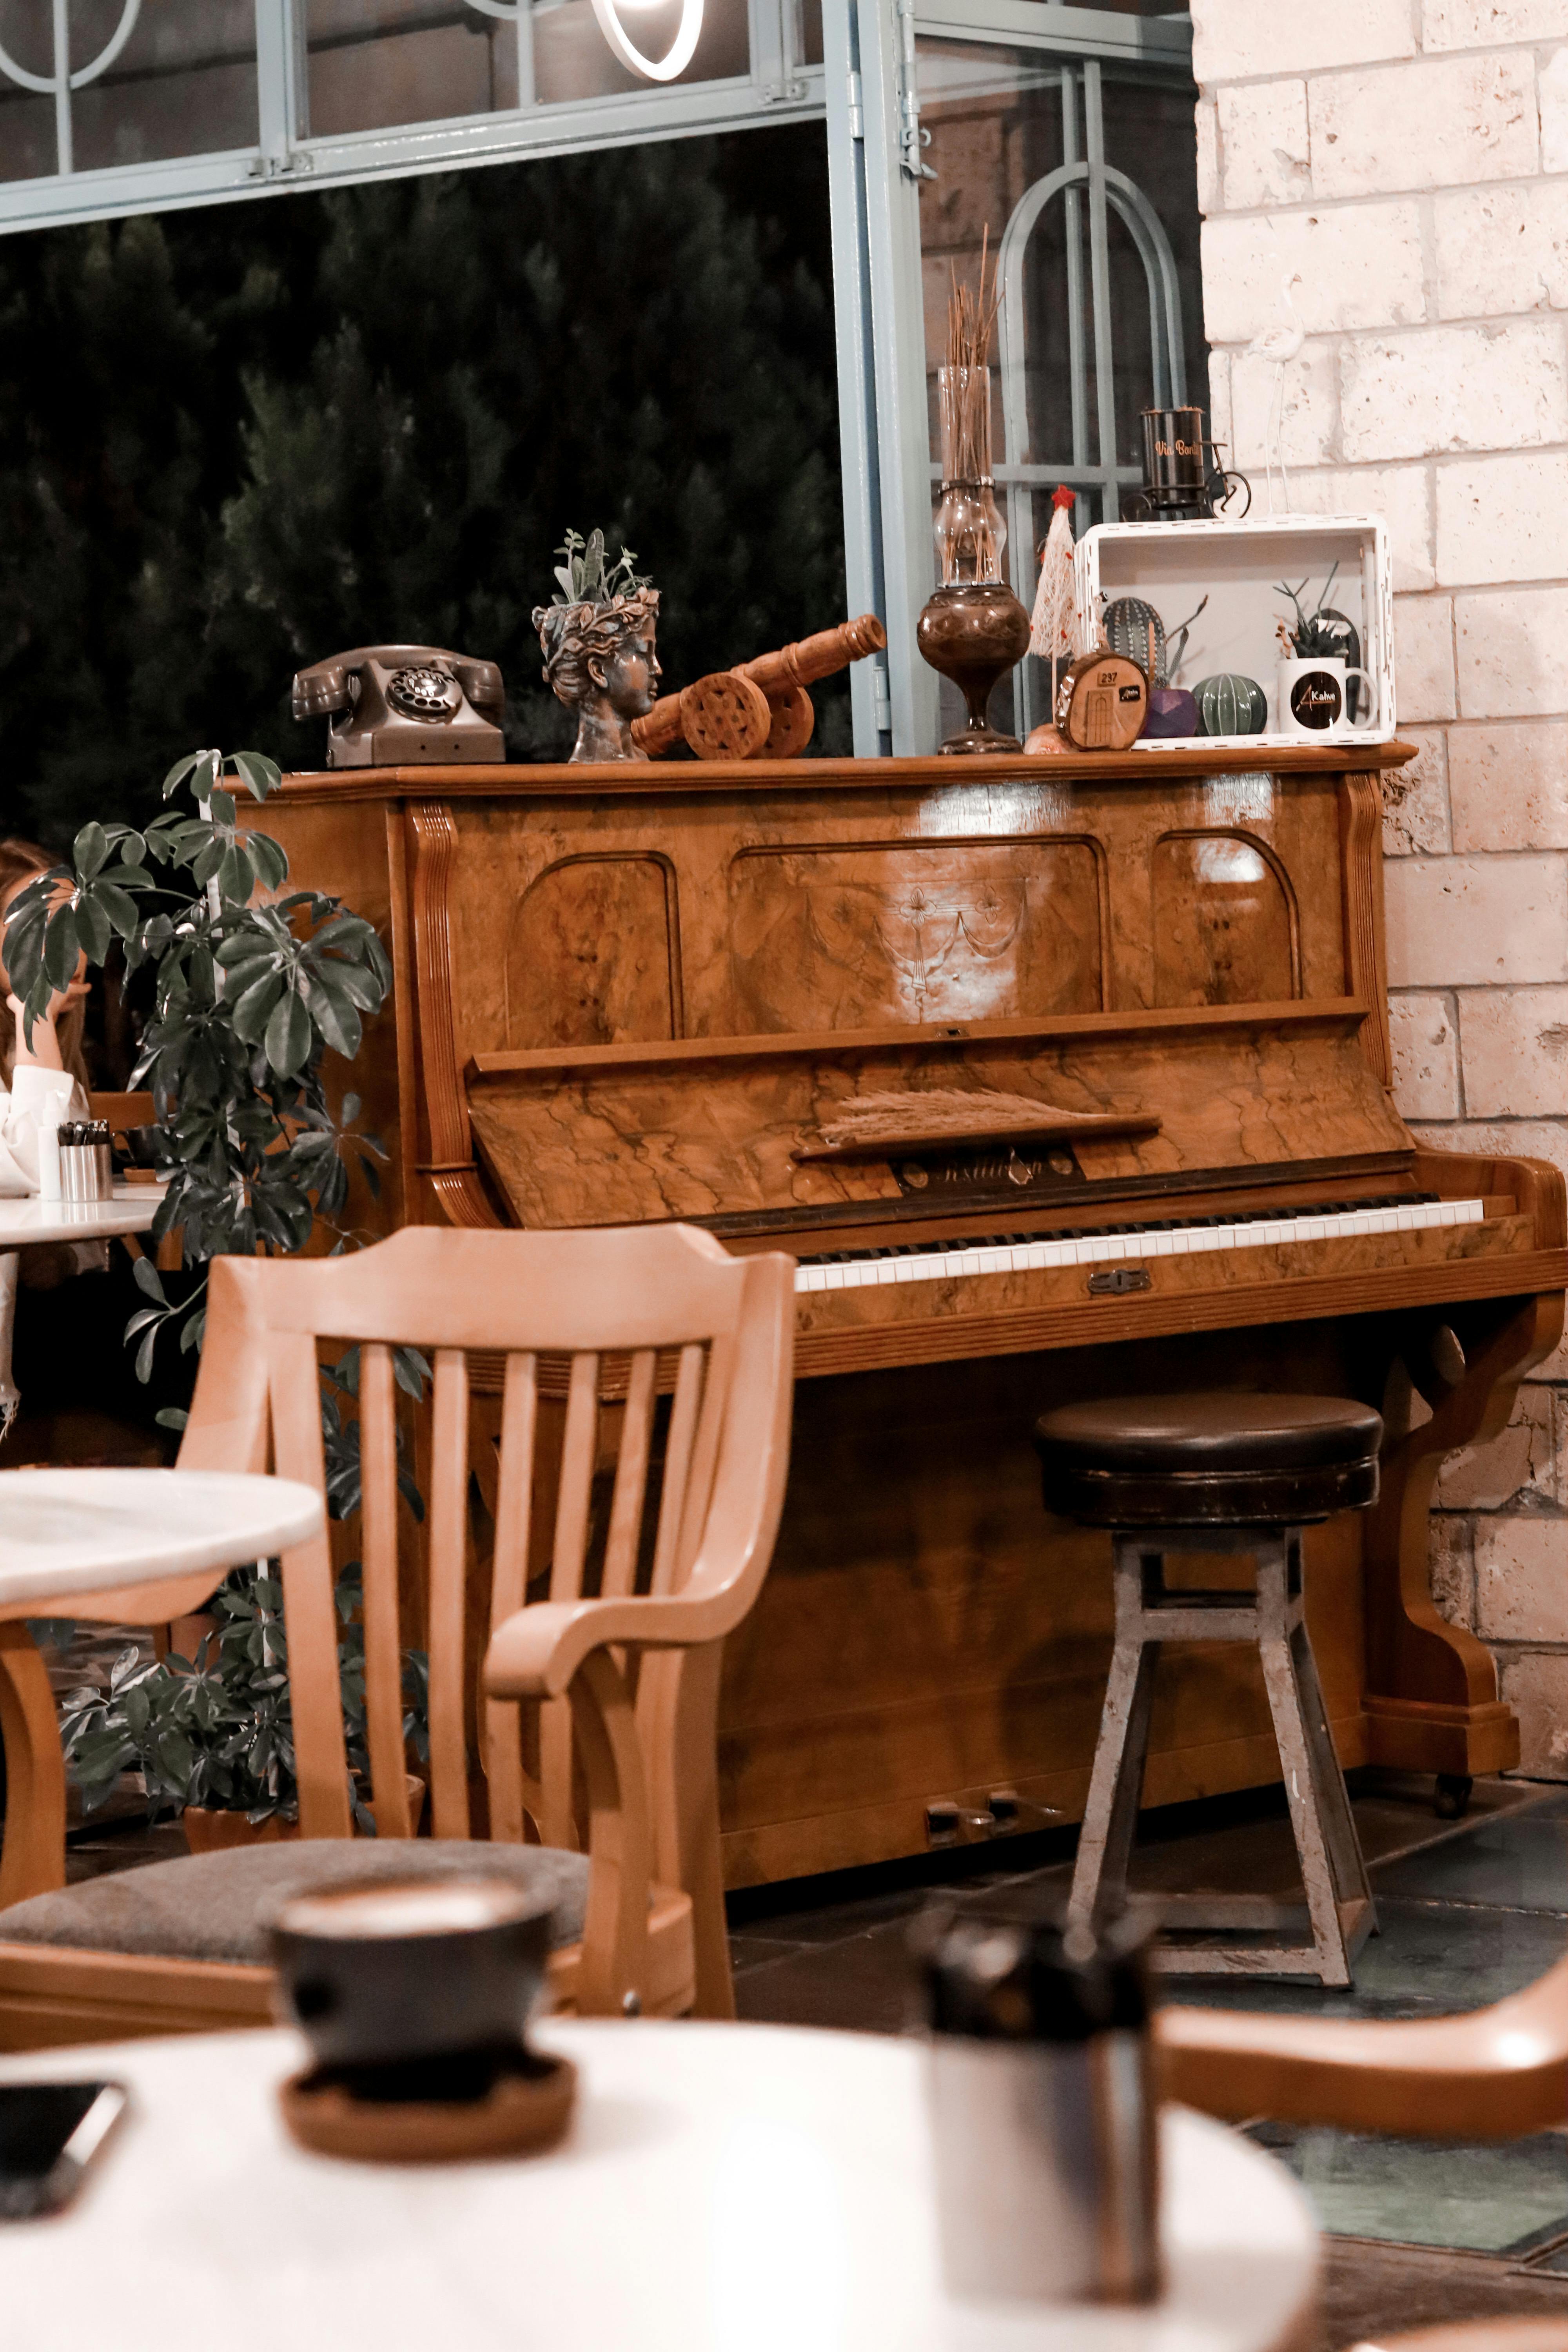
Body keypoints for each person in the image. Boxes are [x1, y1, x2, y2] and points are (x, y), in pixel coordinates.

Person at [535, 584, 662, 762]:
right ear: (597, 670)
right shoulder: (591, 770)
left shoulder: (638, 759)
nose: (657, 669)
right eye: (642, 653)